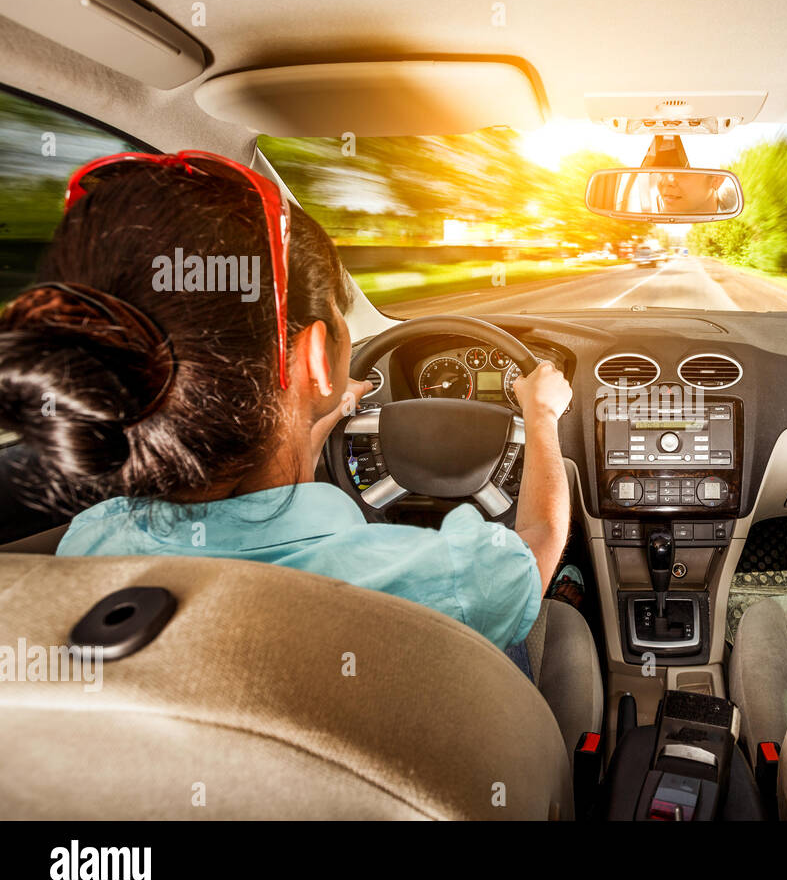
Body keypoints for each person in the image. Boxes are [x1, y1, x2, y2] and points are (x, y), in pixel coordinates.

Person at [0, 152, 577, 674]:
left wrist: (322, 410)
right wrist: (543, 416)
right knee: (557, 626)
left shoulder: (92, 538)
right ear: (314, 357)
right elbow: (540, 542)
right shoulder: (424, 584)